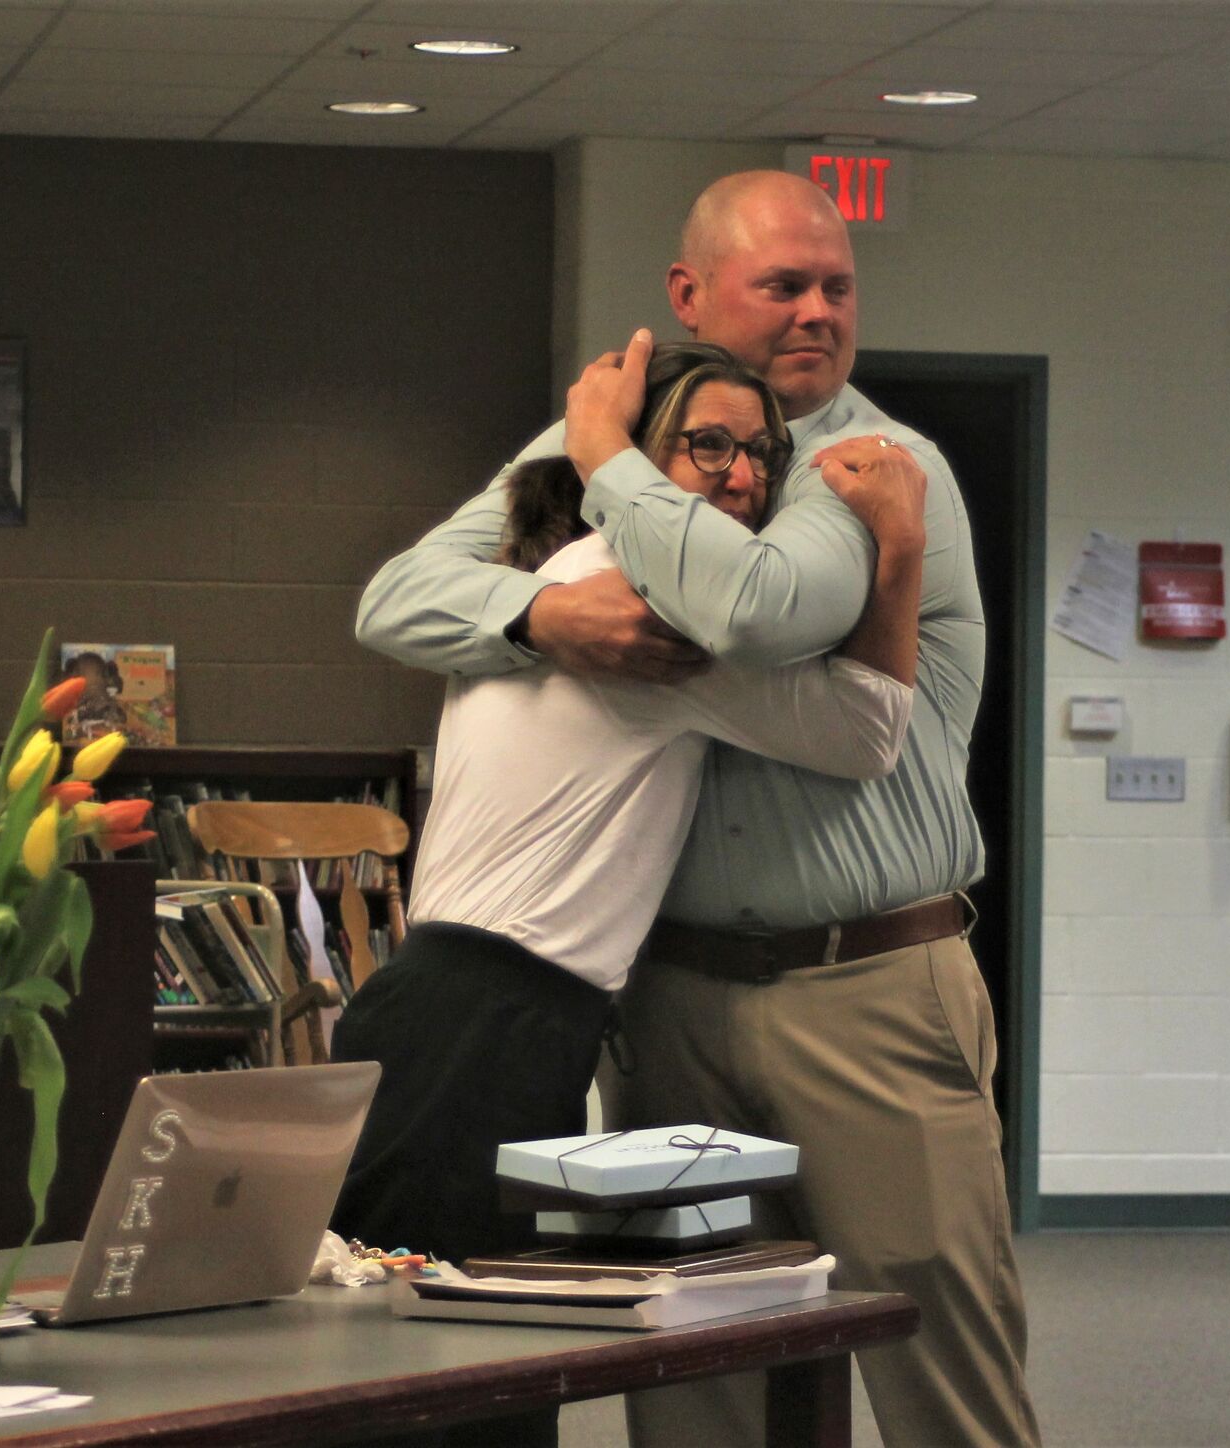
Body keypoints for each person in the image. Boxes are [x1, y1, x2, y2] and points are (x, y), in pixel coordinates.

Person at [356, 170, 1039, 1448]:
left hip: (866, 986)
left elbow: (757, 611)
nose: (816, 312)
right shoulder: (619, 462)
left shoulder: (868, 466)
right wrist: (536, 611)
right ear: (687, 295)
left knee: (939, 1360)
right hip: (664, 993)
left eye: (836, 287)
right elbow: (396, 597)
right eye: (781, 284)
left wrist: (611, 460)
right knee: (692, 1373)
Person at [333, 342, 923, 1448]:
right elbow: (866, 730)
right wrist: (900, 546)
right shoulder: (646, 599)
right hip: (483, 1022)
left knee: (456, 1373)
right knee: (448, 1389)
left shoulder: (558, 576)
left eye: (759, 452)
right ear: (634, 461)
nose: (740, 475)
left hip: (474, 1010)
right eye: (706, 445)